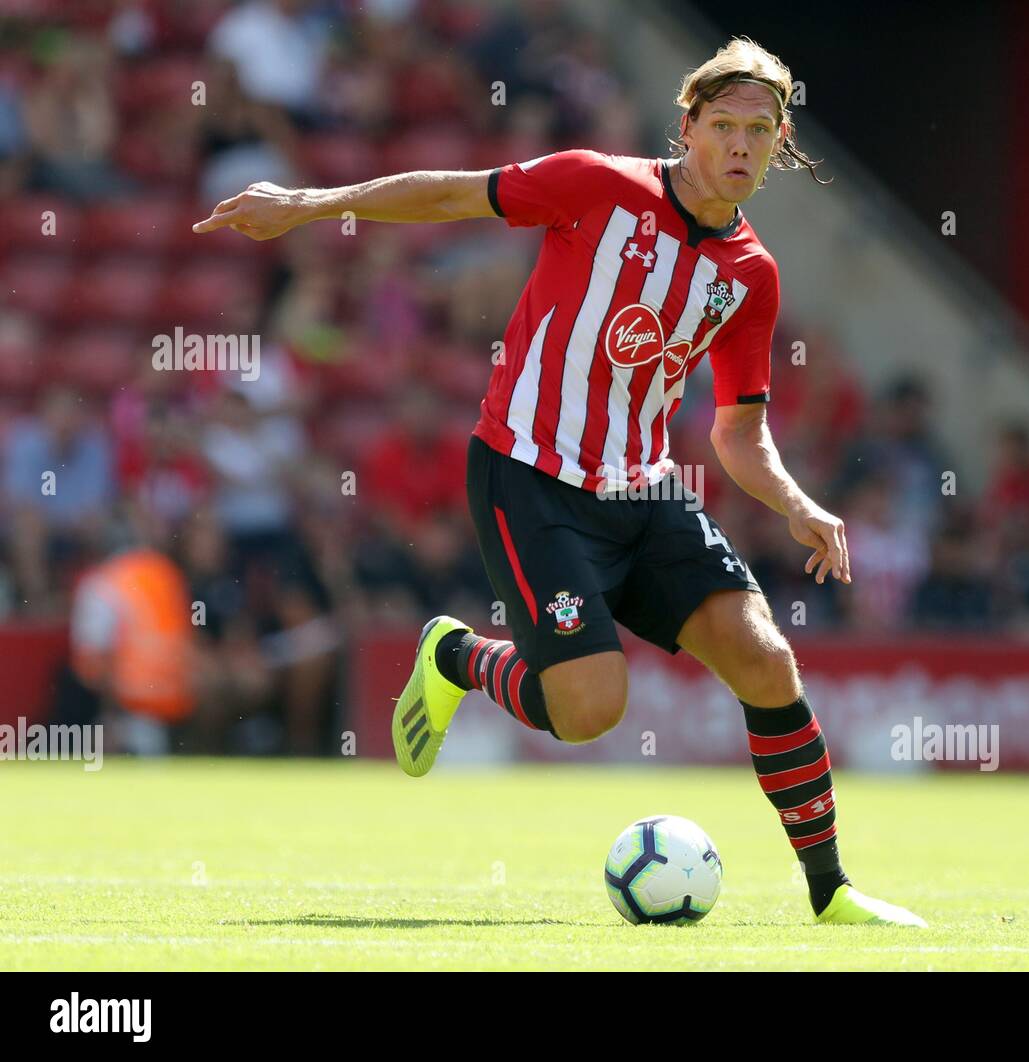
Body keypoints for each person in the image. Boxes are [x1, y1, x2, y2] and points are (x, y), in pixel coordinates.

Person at [194, 38, 926, 927]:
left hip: (645, 489)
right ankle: (456, 655)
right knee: (586, 712)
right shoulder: (596, 184)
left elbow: (740, 431)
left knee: (768, 661)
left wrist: (800, 504)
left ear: (777, 145)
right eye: (724, 125)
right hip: (528, 476)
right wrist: (313, 203)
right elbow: (453, 192)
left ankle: (832, 892)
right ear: (688, 127)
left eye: (759, 131)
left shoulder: (751, 277)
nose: (740, 145)